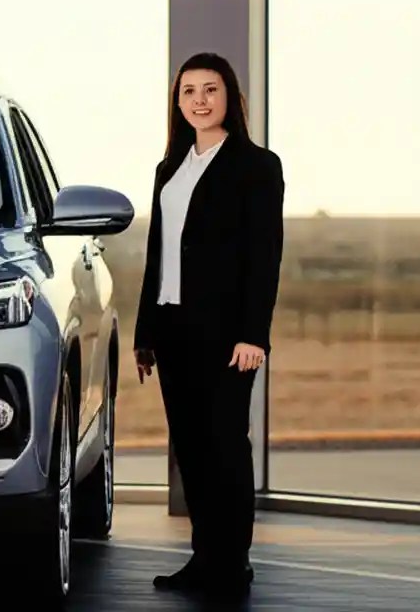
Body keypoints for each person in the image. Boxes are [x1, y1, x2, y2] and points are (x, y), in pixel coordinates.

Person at [134, 51, 285, 602]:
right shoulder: (168, 169)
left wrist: (254, 334)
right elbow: (158, 254)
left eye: (210, 89)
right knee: (193, 451)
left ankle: (232, 563)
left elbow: (264, 256)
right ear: (178, 102)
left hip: (226, 337)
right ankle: (204, 559)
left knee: (226, 446)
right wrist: (144, 333)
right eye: (189, 91)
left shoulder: (257, 166)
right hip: (173, 330)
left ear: (230, 98)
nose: (199, 100)